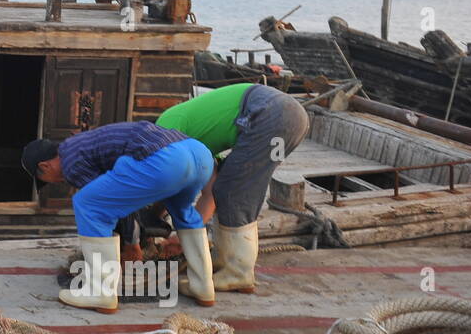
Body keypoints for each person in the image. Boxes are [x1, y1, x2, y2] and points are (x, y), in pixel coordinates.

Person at [22, 121, 214, 313]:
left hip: (167, 161)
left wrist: (132, 244)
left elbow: (114, 205)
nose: (56, 183)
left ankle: (100, 292)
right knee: (184, 213)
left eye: (45, 181)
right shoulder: (79, 145)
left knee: (88, 204)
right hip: (198, 154)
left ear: (45, 166)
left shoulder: (70, 163)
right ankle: (203, 286)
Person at [156, 82, 310, 294]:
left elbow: (162, 186)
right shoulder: (199, 140)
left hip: (269, 113)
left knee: (235, 192)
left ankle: (238, 273)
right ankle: (226, 262)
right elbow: (211, 193)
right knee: (234, 186)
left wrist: (175, 231)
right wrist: (187, 239)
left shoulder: (165, 129)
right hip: (292, 118)